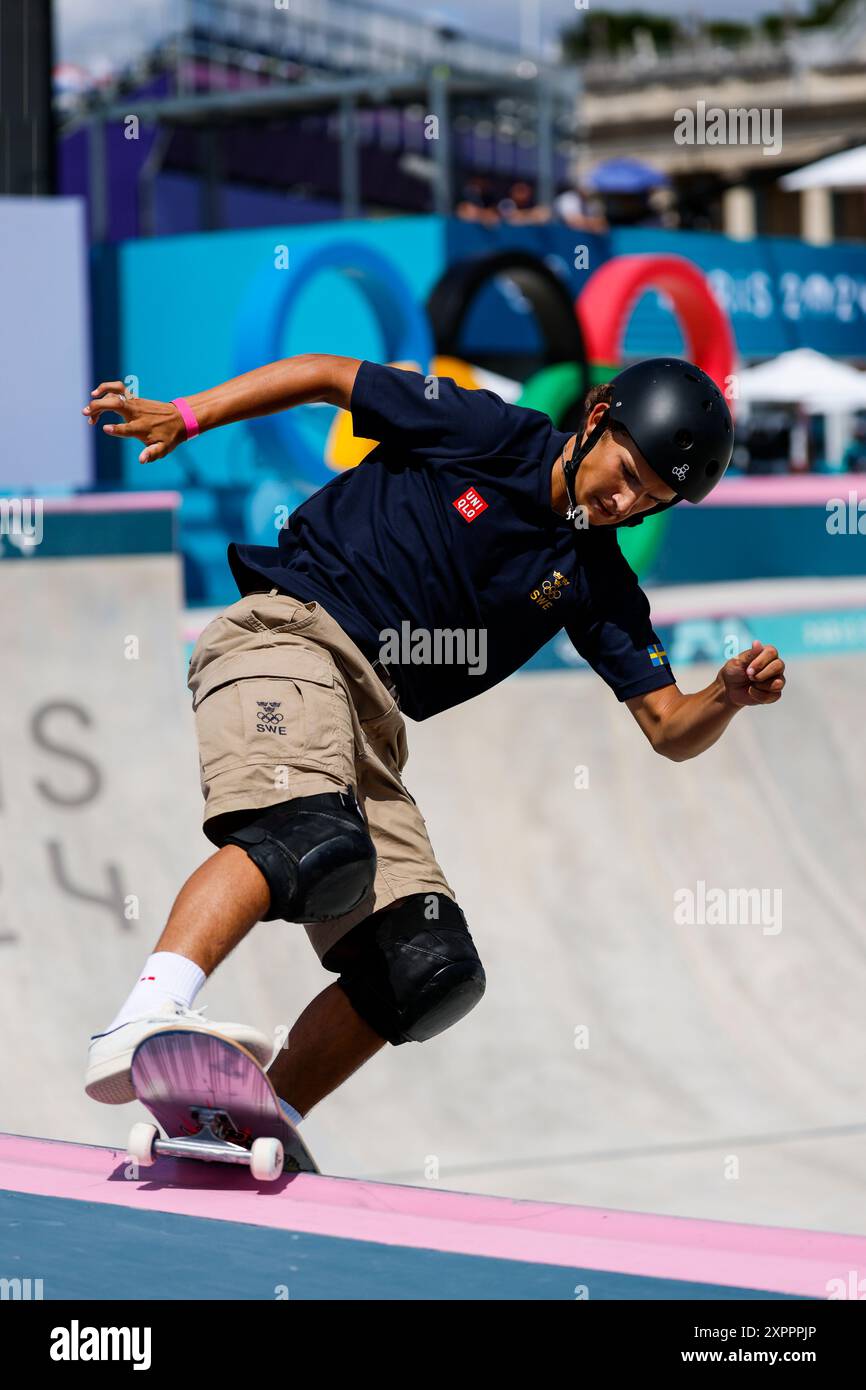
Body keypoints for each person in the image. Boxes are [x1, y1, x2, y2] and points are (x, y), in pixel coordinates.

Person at [81, 356, 786, 1129]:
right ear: (596, 421)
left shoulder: (594, 576)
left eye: (652, 498)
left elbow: (666, 727)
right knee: (306, 837)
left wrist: (726, 695)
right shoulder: (485, 431)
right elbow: (328, 376)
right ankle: (144, 1016)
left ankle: (248, 1123)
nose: (625, 502)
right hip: (288, 634)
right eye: (627, 473)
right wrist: (187, 414)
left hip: (371, 728)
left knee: (427, 967)